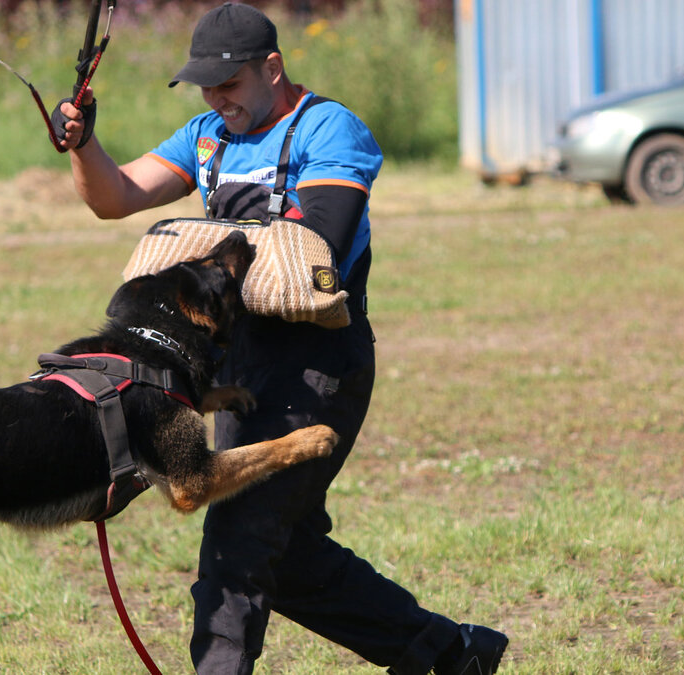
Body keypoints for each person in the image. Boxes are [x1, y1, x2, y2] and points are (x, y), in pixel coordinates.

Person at [52, 3, 508, 673]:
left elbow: (317, 239)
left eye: (229, 84)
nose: (216, 99)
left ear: (272, 67)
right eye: (206, 86)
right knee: (283, 553)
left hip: (317, 363)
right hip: (237, 368)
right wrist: (84, 145)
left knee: (238, 546)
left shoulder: (329, 128)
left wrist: (185, 243)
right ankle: (450, 653)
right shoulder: (206, 134)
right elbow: (115, 197)